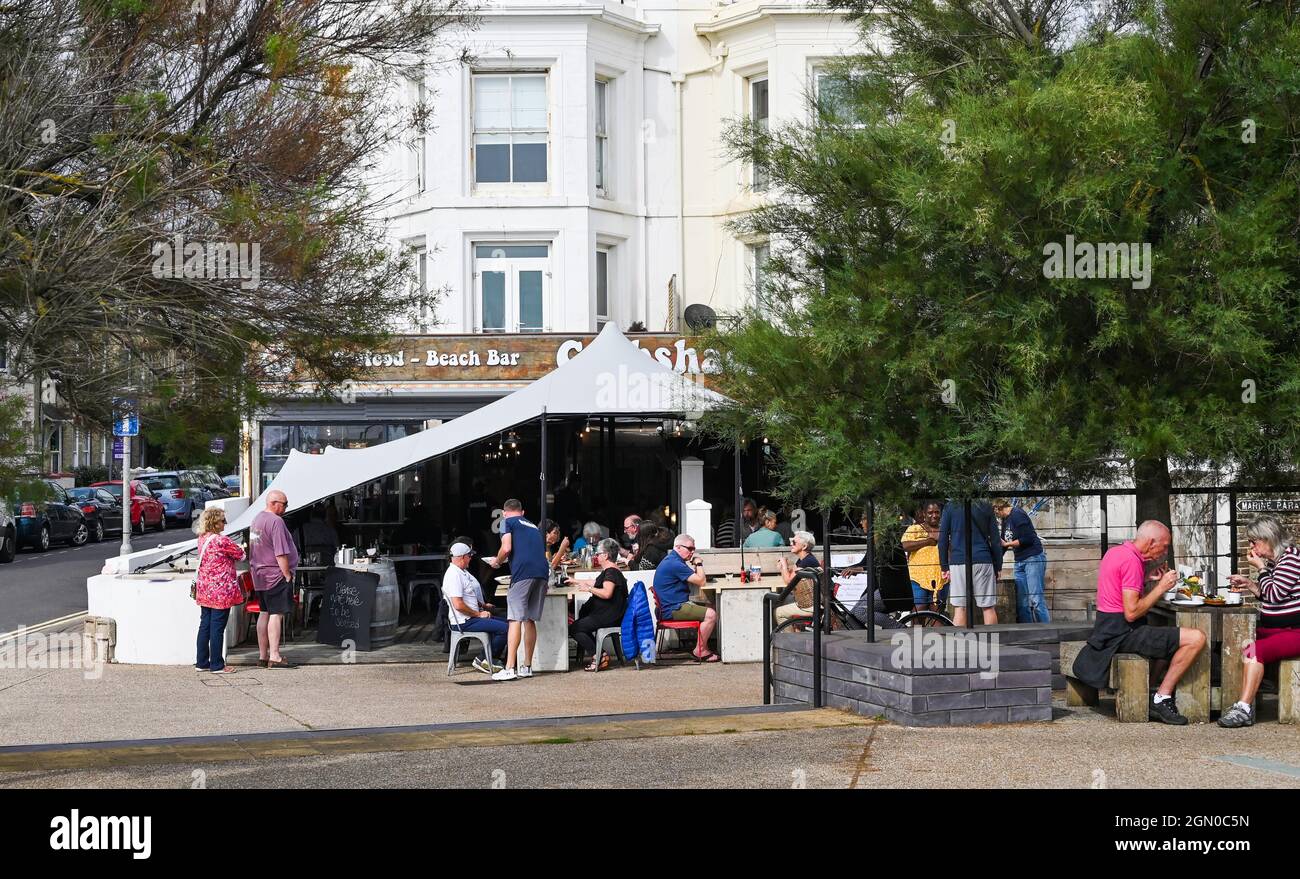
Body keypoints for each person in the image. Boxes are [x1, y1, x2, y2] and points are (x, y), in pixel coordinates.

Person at [1071, 520, 1207, 725]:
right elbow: (1132, 613)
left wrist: (1144, 579)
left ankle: (1148, 691)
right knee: (1196, 638)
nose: (1165, 551)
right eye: (1165, 545)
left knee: (1168, 636)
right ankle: (1162, 697)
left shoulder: (1116, 552)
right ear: (1152, 542)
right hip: (1122, 633)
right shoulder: (1132, 562)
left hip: (1105, 628)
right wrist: (1161, 587)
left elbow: (1120, 588)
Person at [1219, 517, 1300, 727]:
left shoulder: (1290, 558)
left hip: (1294, 631)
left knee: (1254, 651)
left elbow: (1273, 595)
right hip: (1279, 629)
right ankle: (1250, 698)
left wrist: (1261, 568)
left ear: (1269, 538)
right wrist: (1249, 584)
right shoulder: (1278, 561)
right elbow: (1268, 594)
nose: (1252, 546)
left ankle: (1244, 707)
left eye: (1255, 541)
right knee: (1242, 642)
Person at [485, 499, 549, 681]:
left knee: (514, 619)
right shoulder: (532, 526)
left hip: (522, 574)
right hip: (542, 574)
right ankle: (527, 666)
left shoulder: (507, 523)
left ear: (504, 513)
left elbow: (506, 548)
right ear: (522, 512)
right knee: (529, 620)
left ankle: (509, 668)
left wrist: (496, 562)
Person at [249, 489, 298, 669]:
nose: (286, 507)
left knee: (264, 612)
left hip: (259, 574)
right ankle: (275, 656)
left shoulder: (256, 519)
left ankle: (263, 656)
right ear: (274, 503)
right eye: (284, 504)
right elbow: (280, 552)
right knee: (276, 614)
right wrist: (286, 574)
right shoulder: (276, 521)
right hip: (274, 574)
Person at [193, 507, 246, 674]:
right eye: (223, 520)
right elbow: (241, 555)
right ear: (215, 522)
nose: (225, 523)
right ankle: (217, 664)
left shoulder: (202, 539)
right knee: (217, 627)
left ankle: (202, 662)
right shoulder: (222, 541)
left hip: (205, 589)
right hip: (221, 591)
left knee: (205, 626)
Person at [652, 533, 719, 662]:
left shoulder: (672, 560)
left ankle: (702, 647)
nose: (692, 552)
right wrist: (699, 564)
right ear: (678, 547)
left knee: (710, 606)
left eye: (693, 549)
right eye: (689, 549)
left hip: (667, 607)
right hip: (673, 609)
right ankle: (700, 650)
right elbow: (701, 581)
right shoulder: (675, 563)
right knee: (711, 614)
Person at [442, 541, 506, 675]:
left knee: (507, 621)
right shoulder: (454, 575)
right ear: (462, 557)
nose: (471, 558)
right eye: (469, 556)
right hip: (465, 621)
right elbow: (458, 605)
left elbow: (468, 595)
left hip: (470, 617)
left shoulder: (461, 571)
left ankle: (493, 658)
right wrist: (478, 614)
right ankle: (483, 659)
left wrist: (483, 606)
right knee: (507, 629)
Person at [938, 499, 1003, 627]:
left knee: (960, 608)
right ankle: (992, 643)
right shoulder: (985, 505)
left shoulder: (950, 507)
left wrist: (944, 566)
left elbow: (943, 540)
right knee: (988, 607)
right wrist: (998, 565)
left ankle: (961, 644)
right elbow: (995, 540)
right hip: (983, 559)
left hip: (958, 560)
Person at [567, 538, 629, 671]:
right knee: (579, 625)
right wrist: (575, 581)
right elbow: (596, 582)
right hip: (608, 613)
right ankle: (599, 654)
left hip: (608, 615)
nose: (596, 556)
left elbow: (607, 593)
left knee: (575, 628)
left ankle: (599, 655)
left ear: (605, 555)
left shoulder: (611, 572)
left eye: (598, 554)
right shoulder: (611, 571)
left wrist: (588, 589)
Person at [993, 499, 1050, 623]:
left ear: (998, 508)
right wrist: (997, 565)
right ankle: (1027, 633)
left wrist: (1008, 543)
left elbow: (1028, 538)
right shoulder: (1005, 519)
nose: (996, 517)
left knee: (1036, 599)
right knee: (1022, 602)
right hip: (1019, 561)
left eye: (996, 513)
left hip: (1032, 558)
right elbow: (1003, 543)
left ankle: (1047, 633)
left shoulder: (1018, 514)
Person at [901, 502, 946, 613]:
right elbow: (904, 546)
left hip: (941, 579)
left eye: (937, 512)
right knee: (918, 613)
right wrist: (927, 541)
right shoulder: (914, 528)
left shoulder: (945, 530)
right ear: (924, 514)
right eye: (930, 513)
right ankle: (917, 632)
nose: (934, 515)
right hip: (917, 578)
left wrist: (941, 539)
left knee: (938, 615)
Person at [774, 530, 822, 625]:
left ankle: (792, 638)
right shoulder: (803, 559)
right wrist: (785, 568)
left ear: (804, 546)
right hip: (808, 600)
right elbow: (790, 576)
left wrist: (783, 565)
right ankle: (795, 629)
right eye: (791, 541)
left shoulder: (806, 562)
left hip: (811, 604)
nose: (791, 544)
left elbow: (788, 581)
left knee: (778, 612)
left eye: (794, 542)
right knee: (784, 601)